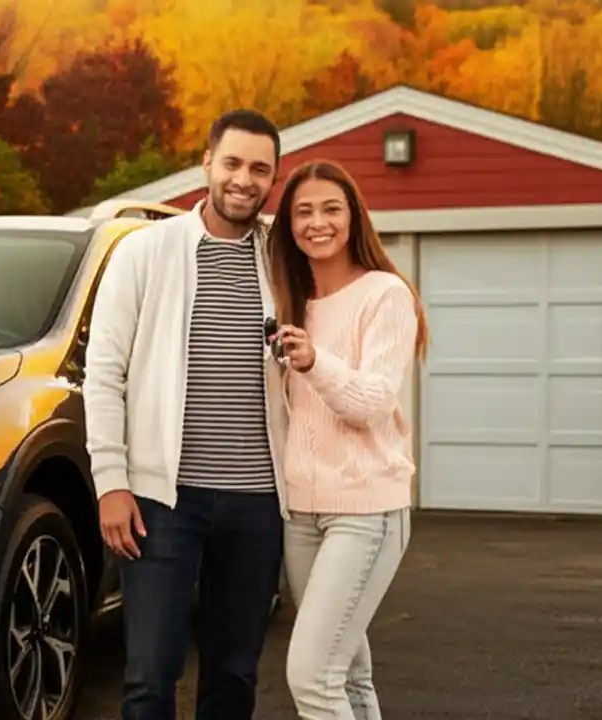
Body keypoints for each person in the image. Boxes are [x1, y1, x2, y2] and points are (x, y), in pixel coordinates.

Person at [83, 108, 291, 720]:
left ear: (273, 178)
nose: (244, 180)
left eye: (260, 169)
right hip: (160, 502)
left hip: (258, 502)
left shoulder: (284, 258)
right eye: (232, 163)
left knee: (233, 673)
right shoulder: (144, 253)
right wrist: (111, 484)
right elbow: (104, 375)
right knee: (150, 675)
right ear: (206, 163)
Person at [265, 159, 429, 720]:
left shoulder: (385, 295)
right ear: (287, 224)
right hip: (303, 513)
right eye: (303, 211)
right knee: (348, 675)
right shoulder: (290, 302)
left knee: (311, 676)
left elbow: (372, 403)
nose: (317, 222)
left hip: (366, 512)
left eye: (331, 208)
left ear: (353, 216)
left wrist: (315, 361)